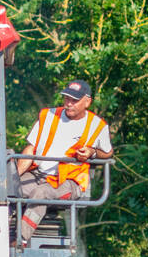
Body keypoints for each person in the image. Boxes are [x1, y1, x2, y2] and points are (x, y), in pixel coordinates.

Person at [13, 80, 112, 247]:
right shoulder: (48, 116)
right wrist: (12, 178)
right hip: (38, 174)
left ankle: (19, 240)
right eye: (66, 99)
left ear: (87, 101)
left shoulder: (97, 125)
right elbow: (31, 148)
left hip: (69, 181)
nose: (69, 104)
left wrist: (92, 152)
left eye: (74, 100)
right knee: (8, 190)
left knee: (41, 193)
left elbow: (108, 152)